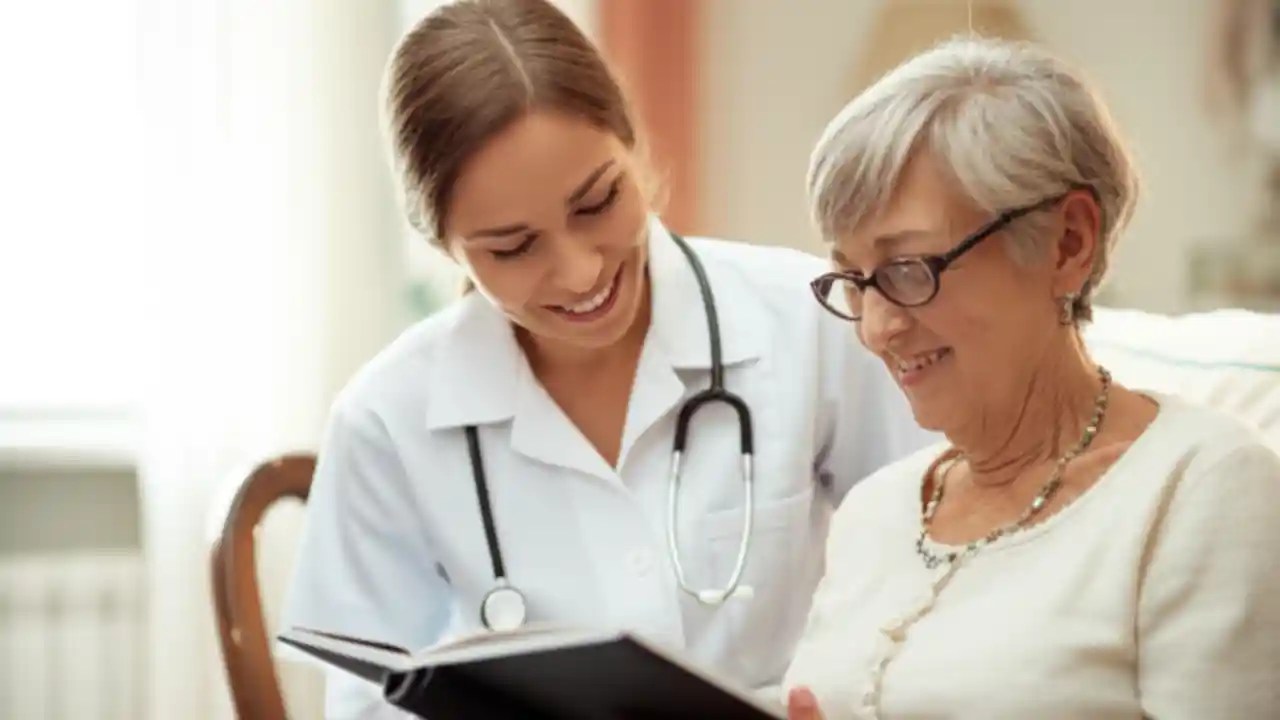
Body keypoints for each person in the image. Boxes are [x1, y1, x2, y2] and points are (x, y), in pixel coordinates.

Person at [280, 1, 935, 717]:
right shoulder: (385, 421)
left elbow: (942, 566)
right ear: (443, 246)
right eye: (513, 248)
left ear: (634, 144)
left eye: (596, 203)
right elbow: (369, 703)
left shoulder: (805, 321)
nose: (579, 272)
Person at [780, 36, 1280, 720]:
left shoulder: (1201, 490)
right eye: (854, 280)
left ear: (1068, 243)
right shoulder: (874, 512)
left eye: (908, 270)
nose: (876, 328)